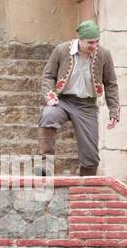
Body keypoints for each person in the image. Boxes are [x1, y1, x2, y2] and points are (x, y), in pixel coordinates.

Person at [36, 20, 119, 176]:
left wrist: (114, 110)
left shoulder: (104, 55)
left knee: (91, 156)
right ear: (80, 40)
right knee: (48, 116)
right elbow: (48, 75)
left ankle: (87, 189)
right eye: (90, 42)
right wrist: (50, 95)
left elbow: (111, 84)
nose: (94, 46)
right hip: (63, 101)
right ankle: (45, 166)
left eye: (97, 41)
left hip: (87, 106)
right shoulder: (61, 50)